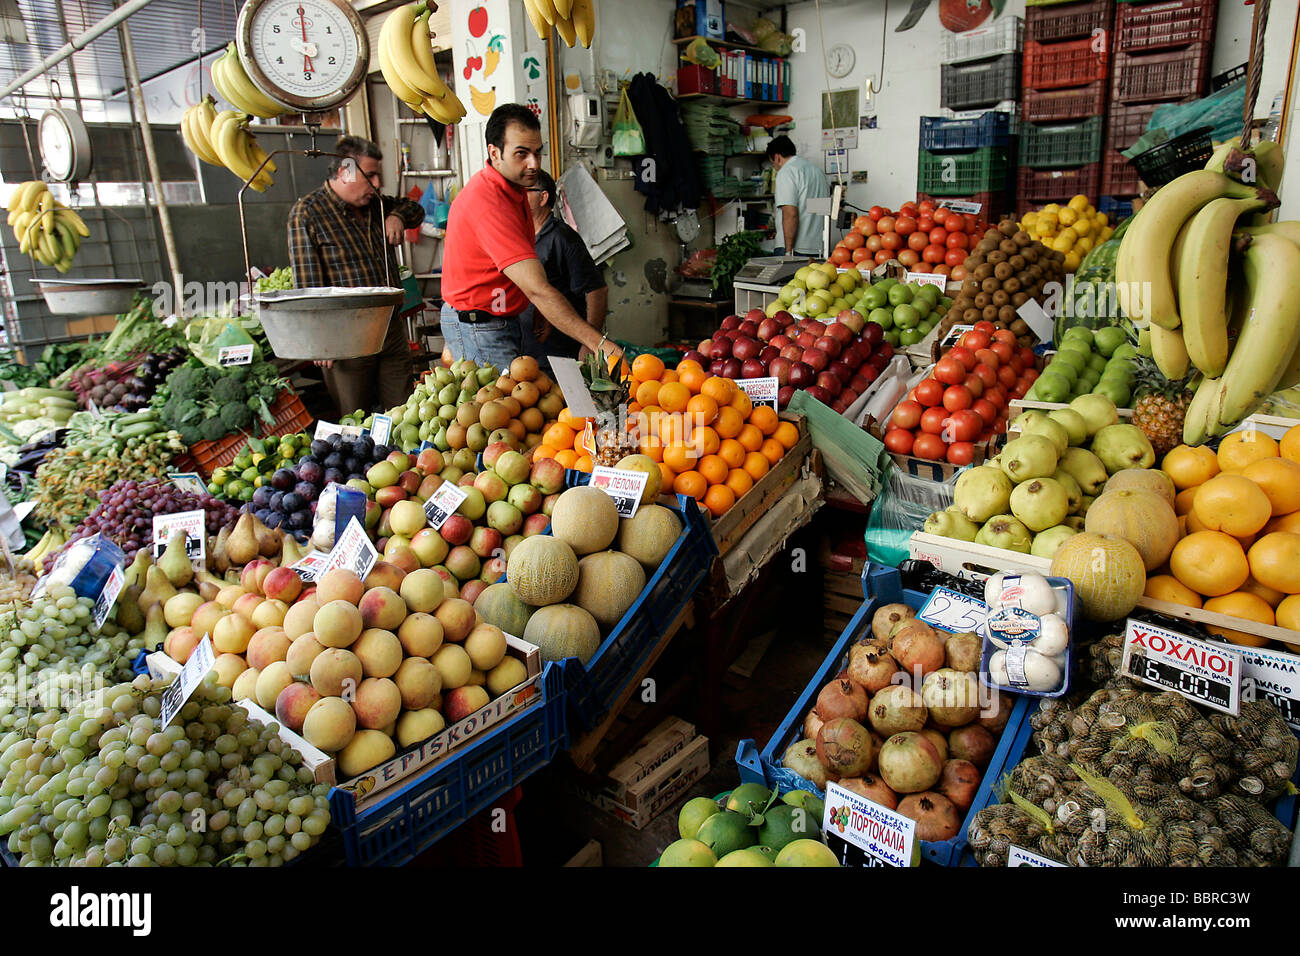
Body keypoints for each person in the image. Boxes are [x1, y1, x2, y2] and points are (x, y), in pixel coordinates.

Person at [440, 103, 622, 371]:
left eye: (538, 153)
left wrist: (539, 310)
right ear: (495, 153)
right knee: (502, 410)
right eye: (522, 154)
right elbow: (537, 288)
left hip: (501, 320)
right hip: (480, 328)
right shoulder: (489, 204)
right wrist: (599, 343)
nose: (534, 164)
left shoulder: (514, 191)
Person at [287, 135, 423, 416]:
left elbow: (416, 209)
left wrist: (397, 216)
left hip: (389, 327)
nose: (376, 184)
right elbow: (308, 286)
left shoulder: (378, 205)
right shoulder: (308, 213)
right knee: (355, 419)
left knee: (406, 412)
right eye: (370, 175)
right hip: (344, 337)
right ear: (344, 172)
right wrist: (320, 340)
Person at [518, 169, 608, 374]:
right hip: (525, 350)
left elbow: (597, 291)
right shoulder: (519, 237)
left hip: (559, 351)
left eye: (524, 191)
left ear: (543, 197)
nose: (517, 197)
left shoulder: (562, 237)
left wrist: (590, 342)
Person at [766, 135, 830, 258]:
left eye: (772, 163)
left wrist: (788, 251)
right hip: (818, 249)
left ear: (777, 157)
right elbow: (819, 211)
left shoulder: (787, 172)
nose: (775, 167)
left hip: (795, 249)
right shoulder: (817, 172)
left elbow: (790, 213)